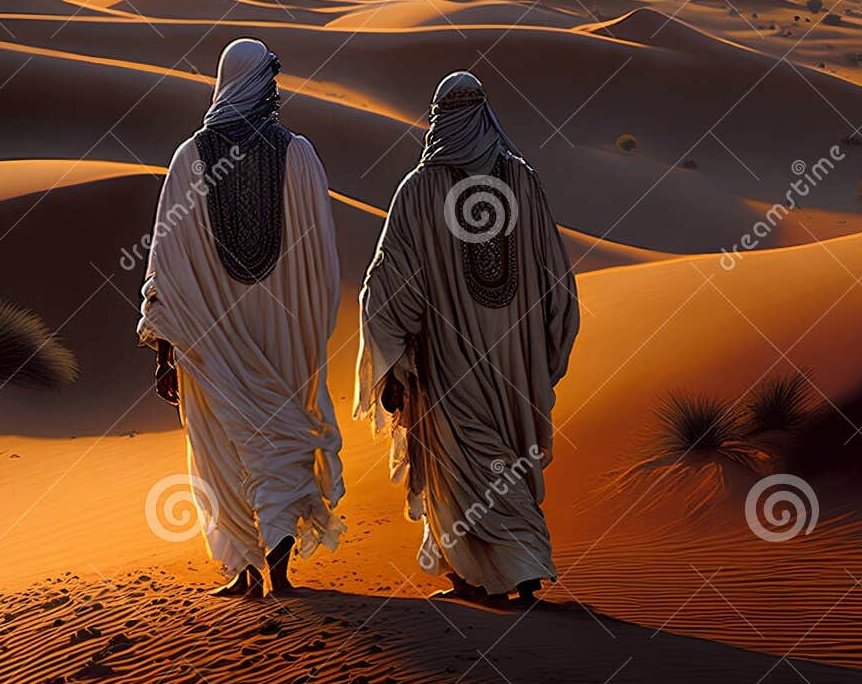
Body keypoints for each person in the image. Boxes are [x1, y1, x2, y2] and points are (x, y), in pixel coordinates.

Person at [354, 71, 579, 607]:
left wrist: (391, 360)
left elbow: (387, 285)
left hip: (448, 363)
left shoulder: (418, 189)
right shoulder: (522, 180)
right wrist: (548, 343)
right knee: (499, 454)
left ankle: (500, 566)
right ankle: (501, 570)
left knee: (462, 459)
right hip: (517, 359)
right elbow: (557, 281)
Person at [138, 38, 344, 598]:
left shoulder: (187, 159)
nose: (276, 91)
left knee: (224, 447)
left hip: (209, 341)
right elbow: (322, 259)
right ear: (259, 84)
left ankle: (249, 572)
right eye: (270, 80)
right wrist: (309, 324)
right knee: (273, 443)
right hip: (279, 334)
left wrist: (165, 349)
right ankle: (271, 570)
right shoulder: (298, 153)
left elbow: (165, 267)